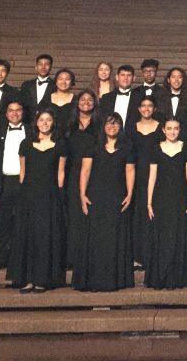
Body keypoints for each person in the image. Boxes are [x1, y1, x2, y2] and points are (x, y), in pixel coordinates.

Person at [73, 113, 135, 292]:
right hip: (96, 196)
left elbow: (130, 171)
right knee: (96, 238)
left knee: (113, 238)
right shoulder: (92, 146)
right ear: (103, 126)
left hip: (117, 197)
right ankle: (94, 280)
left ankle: (113, 280)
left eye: (116, 124)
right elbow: (85, 171)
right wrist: (82, 195)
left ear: (120, 127)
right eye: (109, 124)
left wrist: (130, 194)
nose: (112, 127)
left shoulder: (127, 147)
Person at [8, 109, 66, 293]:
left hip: (49, 195)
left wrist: (59, 195)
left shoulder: (60, 144)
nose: (45, 123)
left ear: (53, 123)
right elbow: (23, 172)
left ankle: (42, 279)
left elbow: (61, 173)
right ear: (36, 122)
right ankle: (28, 280)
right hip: (29, 195)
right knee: (28, 236)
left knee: (45, 236)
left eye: (48, 120)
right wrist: (22, 195)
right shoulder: (26, 144)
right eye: (42, 120)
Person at [144, 116, 187, 289]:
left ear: (179, 130)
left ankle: (176, 278)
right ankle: (161, 277)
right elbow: (152, 177)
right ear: (163, 130)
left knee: (177, 236)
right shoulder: (156, 149)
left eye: (175, 128)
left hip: (180, 198)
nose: (172, 131)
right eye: (169, 128)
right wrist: (149, 202)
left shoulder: (185, 147)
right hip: (160, 198)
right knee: (162, 236)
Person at [0, 100, 31, 272]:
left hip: (26, 181)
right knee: (2, 222)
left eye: (18, 110)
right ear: (6, 114)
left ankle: (25, 258)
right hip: (5, 181)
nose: (14, 114)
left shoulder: (32, 130)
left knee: (24, 221)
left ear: (23, 112)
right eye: (11, 111)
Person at [64, 89, 100, 270]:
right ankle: (72, 257)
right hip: (72, 173)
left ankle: (90, 255)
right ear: (77, 103)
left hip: (94, 175)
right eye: (82, 99)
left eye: (90, 99)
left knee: (90, 215)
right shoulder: (68, 125)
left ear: (95, 103)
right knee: (74, 215)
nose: (86, 102)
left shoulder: (100, 125)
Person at [129, 96, 163, 271]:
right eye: (143, 105)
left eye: (150, 105)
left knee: (153, 213)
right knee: (137, 215)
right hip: (136, 175)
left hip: (156, 176)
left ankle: (152, 254)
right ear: (139, 109)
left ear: (155, 108)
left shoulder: (161, 128)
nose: (146, 108)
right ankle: (137, 255)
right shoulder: (131, 128)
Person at [46, 68, 78, 137]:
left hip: (70, 137)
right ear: (56, 81)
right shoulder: (46, 98)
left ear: (72, 82)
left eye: (67, 79)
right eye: (60, 79)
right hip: (49, 137)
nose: (64, 82)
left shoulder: (77, 100)